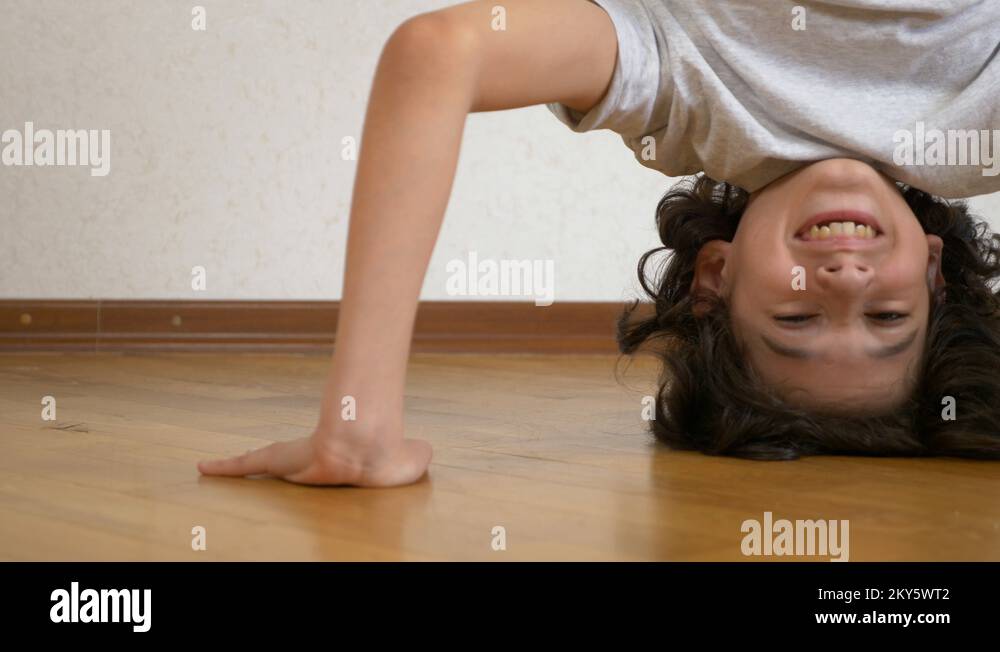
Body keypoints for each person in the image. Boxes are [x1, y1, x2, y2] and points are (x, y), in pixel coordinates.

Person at [198, 0, 1000, 485]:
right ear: (931, 271)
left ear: (713, 280)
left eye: (797, 321)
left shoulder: (681, 91)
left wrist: (356, 423)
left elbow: (440, 52)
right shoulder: (978, 125)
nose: (843, 281)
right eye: (887, 316)